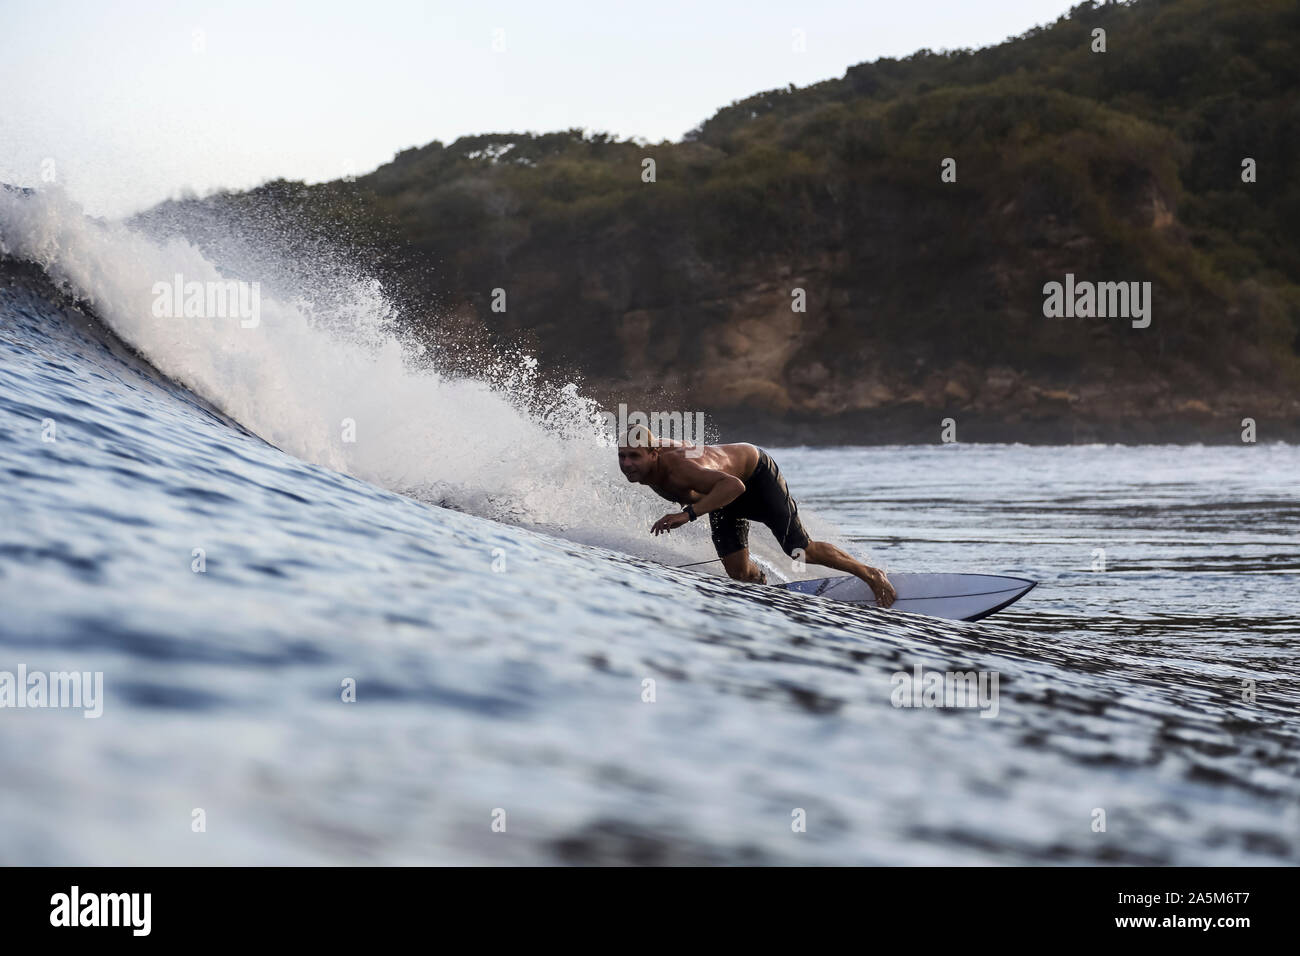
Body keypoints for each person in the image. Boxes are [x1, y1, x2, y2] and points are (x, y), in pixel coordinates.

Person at [617, 426, 896, 607]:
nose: (627, 464)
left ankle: (871, 574)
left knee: (800, 549)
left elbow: (734, 486)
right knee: (739, 574)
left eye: (634, 457)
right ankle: (766, 593)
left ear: (654, 453)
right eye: (622, 457)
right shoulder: (647, 461)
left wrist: (687, 515)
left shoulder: (679, 469)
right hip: (721, 497)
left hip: (753, 477)